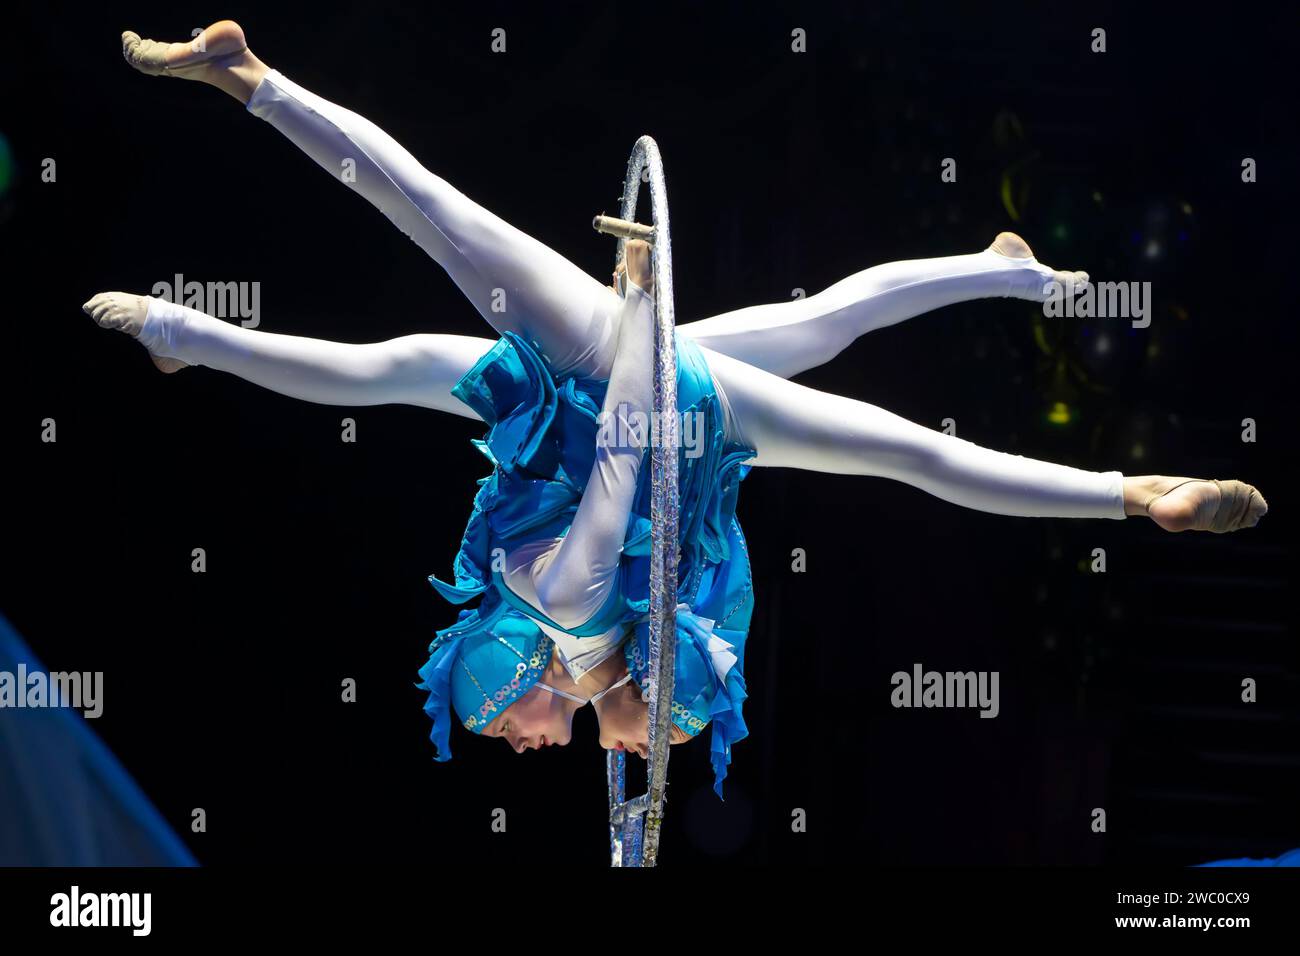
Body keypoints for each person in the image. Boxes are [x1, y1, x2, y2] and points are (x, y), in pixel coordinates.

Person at [89, 19, 1267, 794]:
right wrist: (639, 316)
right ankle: (1027, 306)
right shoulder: (618, 651)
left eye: (501, 731)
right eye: (503, 733)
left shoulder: (566, 615)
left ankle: (242, 120)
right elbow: (653, 496)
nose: (510, 745)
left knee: (418, 293)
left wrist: (637, 306)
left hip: (616, 382)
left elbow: (619, 468)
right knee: (858, 385)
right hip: (669, 403)